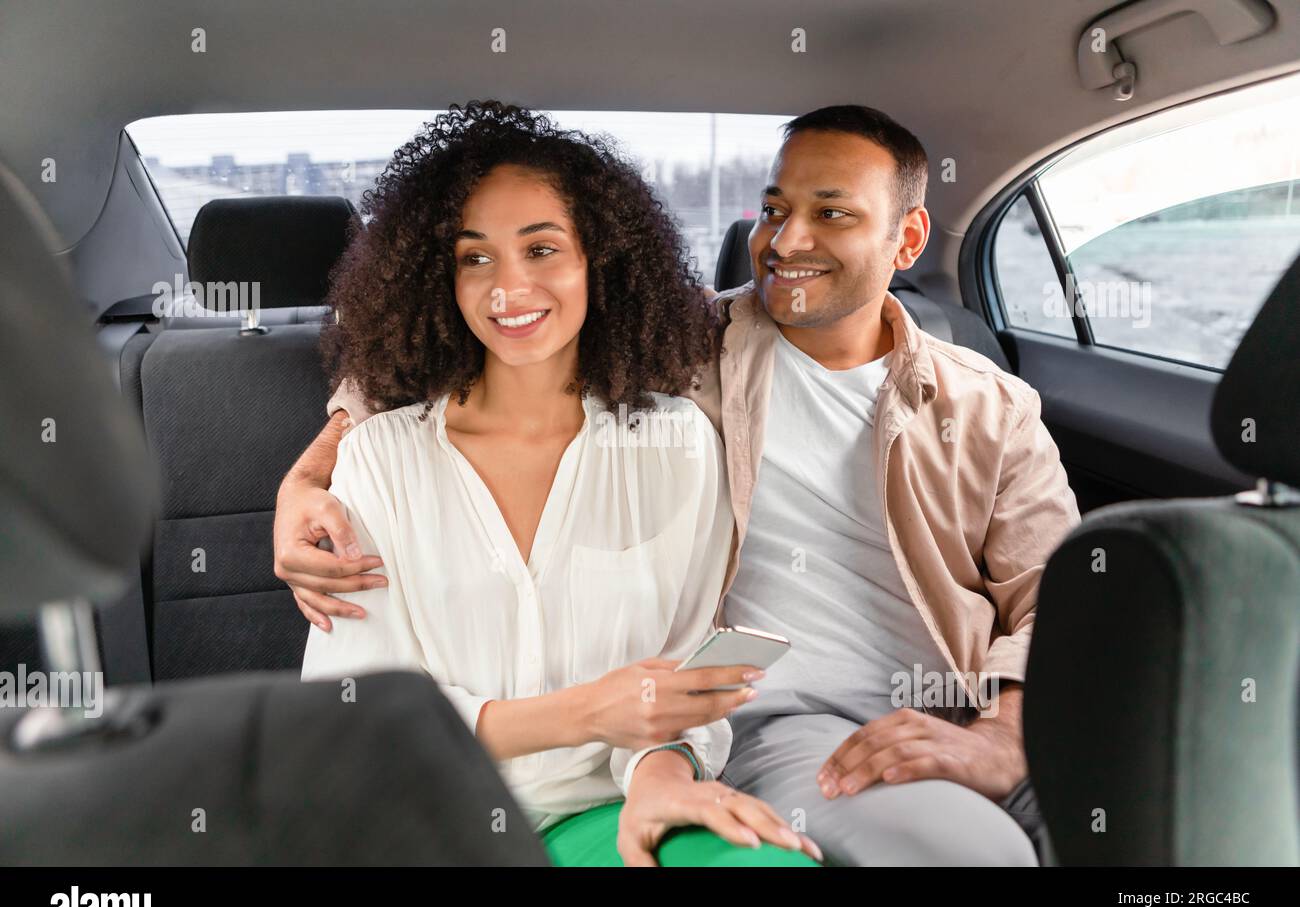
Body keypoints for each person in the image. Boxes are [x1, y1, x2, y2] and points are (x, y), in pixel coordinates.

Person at [280, 104, 1079, 866]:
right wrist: (308, 480)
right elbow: (454, 350)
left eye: (831, 213)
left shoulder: (992, 406)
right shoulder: (688, 344)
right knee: (973, 854)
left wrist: (999, 738)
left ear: (909, 239)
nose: (785, 239)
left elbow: (1062, 597)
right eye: (772, 210)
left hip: (968, 706)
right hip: (787, 725)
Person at [293, 101, 819, 868]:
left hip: (604, 815)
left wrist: (661, 778)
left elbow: (680, 682)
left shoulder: (679, 445)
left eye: (542, 249)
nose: (508, 287)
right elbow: (358, 720)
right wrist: (584, 713)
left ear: (597, 262)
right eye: (475, 258)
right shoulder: (379, 460)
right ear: (437, 278)